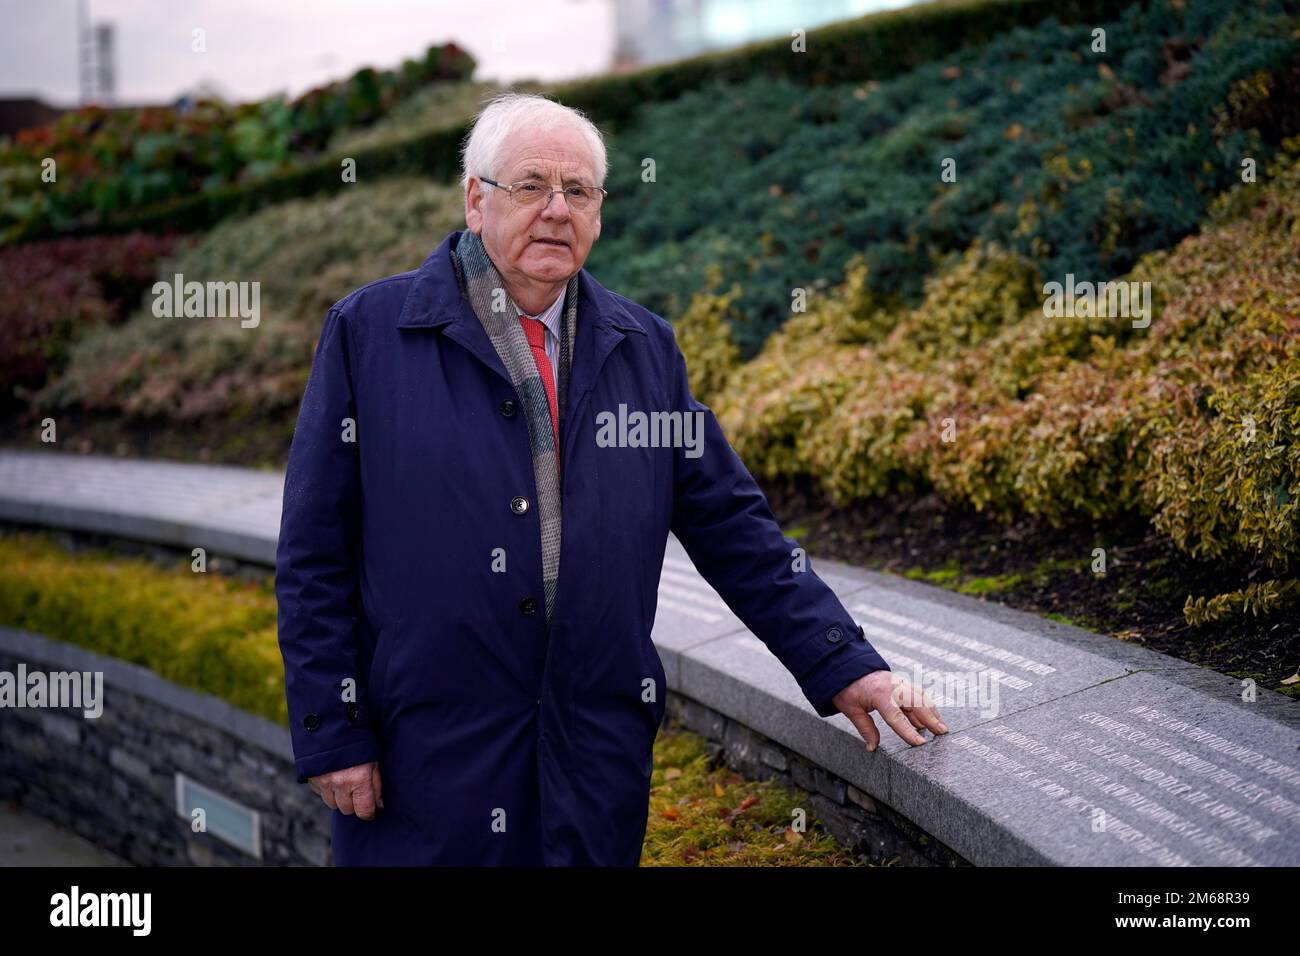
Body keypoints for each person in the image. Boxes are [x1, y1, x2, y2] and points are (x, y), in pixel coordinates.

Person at [274, 91, 946, 866]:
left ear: (598, 210)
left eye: (579, 191)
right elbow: (313, 555)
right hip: (422, 765)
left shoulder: (642, 348)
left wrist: (845, 663)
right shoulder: (371, 333)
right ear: (475, 199)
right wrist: (333, 729)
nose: (556, 210)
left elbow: (733, 527)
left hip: (590, 770)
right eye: (530, 186)